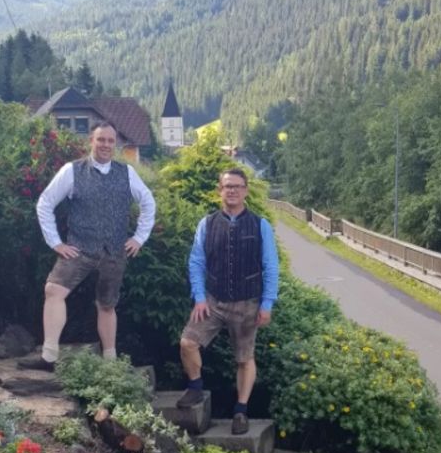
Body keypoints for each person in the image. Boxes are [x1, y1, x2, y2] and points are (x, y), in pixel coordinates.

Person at [19, 120, 156, 371]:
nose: (105, 144)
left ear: (115, 144)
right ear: (90, 141)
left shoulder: (127, 173)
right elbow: (45, 203)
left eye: (110, 141)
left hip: (114, 250)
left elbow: (148, 203)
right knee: (53, 290)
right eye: (101, 139)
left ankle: (110, 362)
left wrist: (139, 238)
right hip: (79, 247)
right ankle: (49, 356)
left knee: (107, 305)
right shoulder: (72, 171)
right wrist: (55, 242)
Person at [177, 167, 279, 434]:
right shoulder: (206, 224)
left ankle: (241, 411)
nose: (232, 190)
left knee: (244, 358)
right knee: (188, 342)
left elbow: (270, 265)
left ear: (245, 191)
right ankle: (196, 388)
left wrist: (267, 304)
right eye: (227, 186)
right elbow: (197, 261)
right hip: (212, 300)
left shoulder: (261, 225)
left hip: (248, 302)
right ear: (219, 191)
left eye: (237, 186)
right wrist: (199, 298)